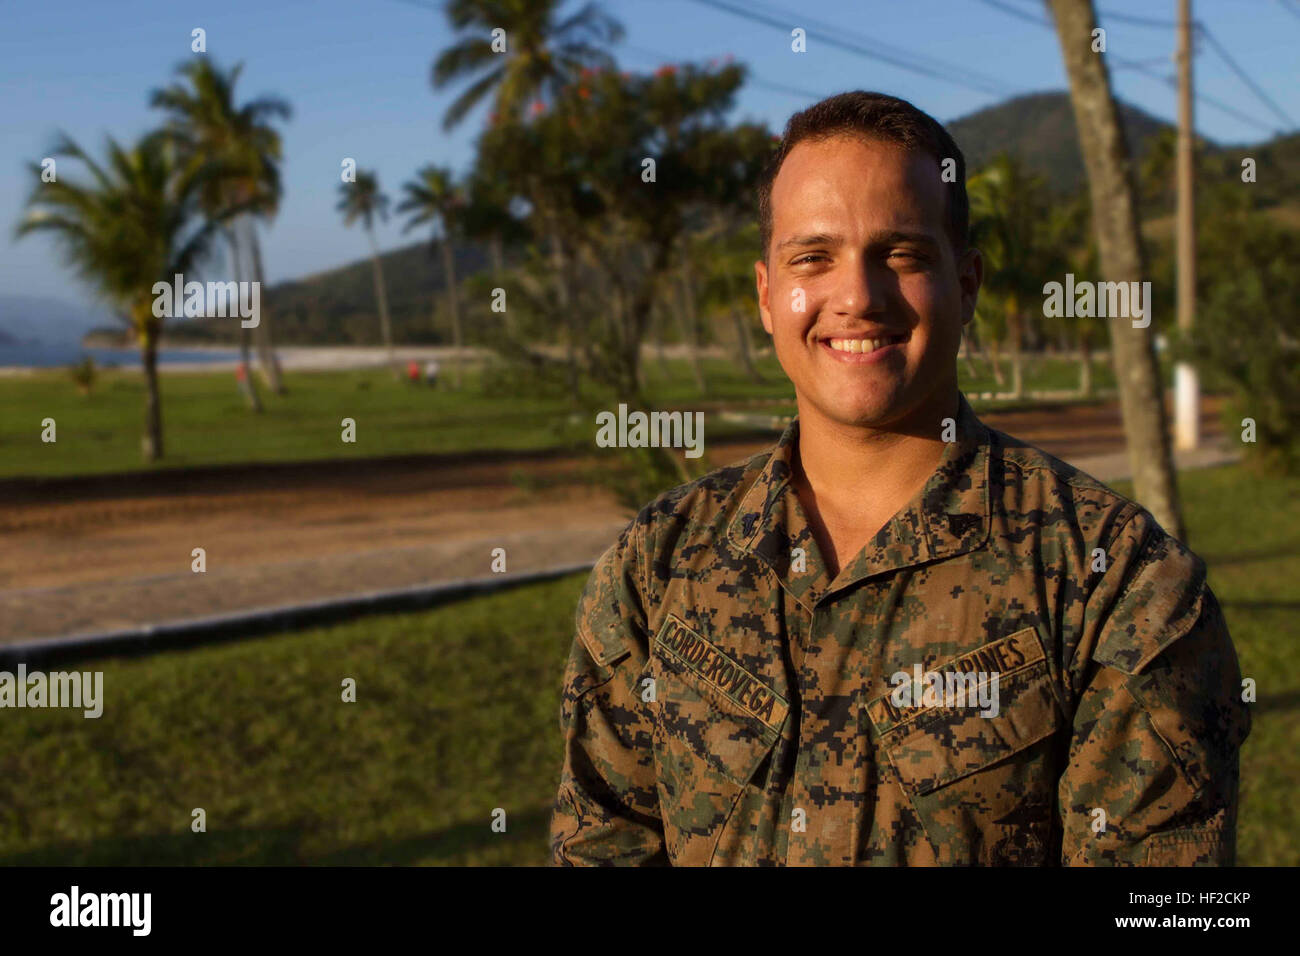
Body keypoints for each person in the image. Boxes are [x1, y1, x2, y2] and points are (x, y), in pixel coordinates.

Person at [549, 91, 1249, 866]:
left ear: (968, 282)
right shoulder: (659, 563)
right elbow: (600, 847)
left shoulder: (1115, 583)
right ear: (764, 295)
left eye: (903, 255)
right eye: (812, 258)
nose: (857, 297)